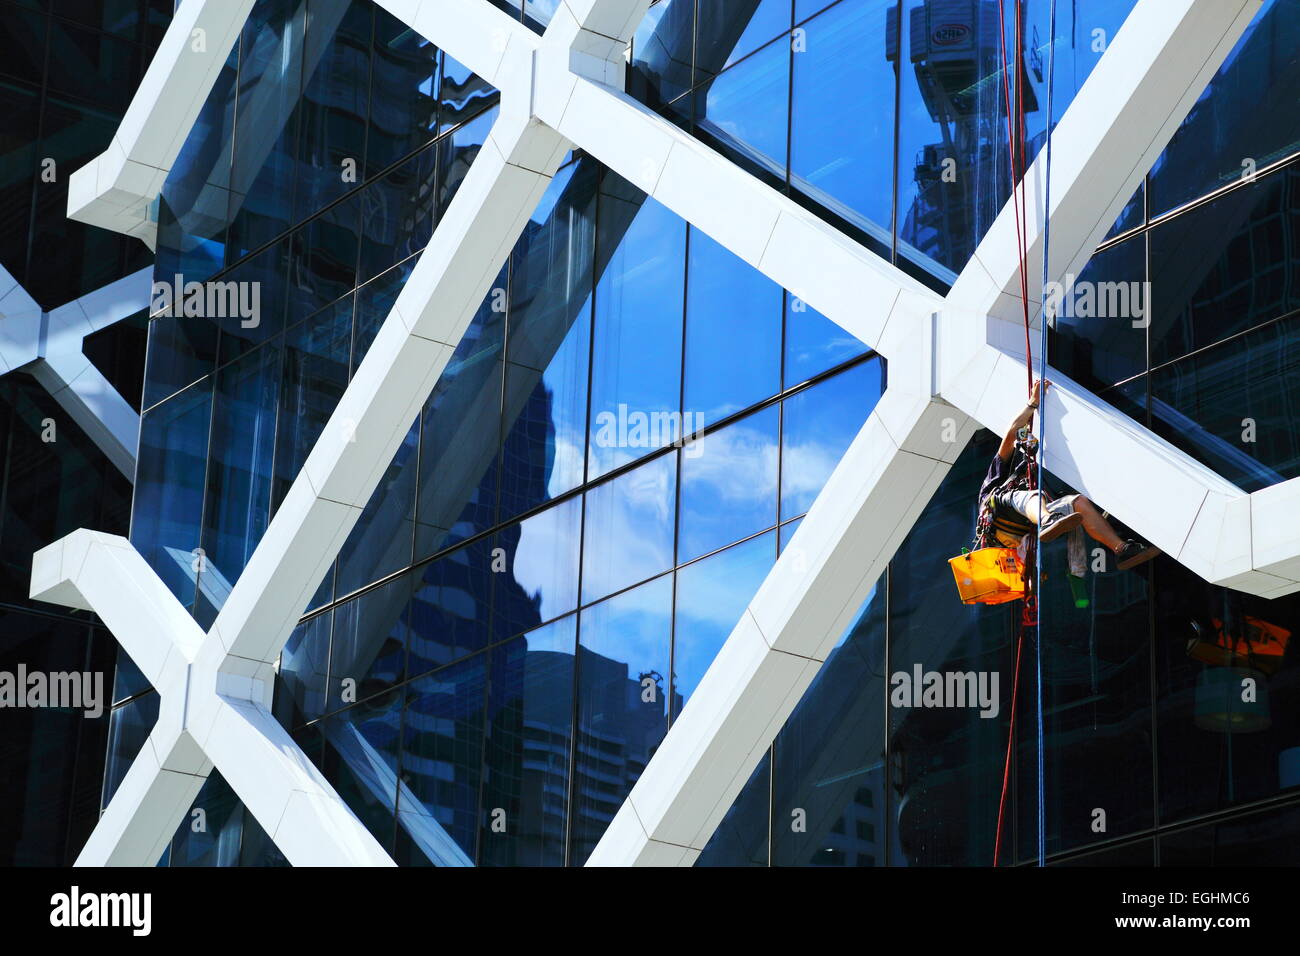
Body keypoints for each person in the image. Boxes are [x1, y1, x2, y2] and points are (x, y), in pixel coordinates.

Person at [976, 380, 1159, 571]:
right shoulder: (993, 482)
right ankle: (1047, 520)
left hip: (1022, 527)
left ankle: (1121, 550)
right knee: (1033, 497)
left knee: (1078, 503)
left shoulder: (1030, 477)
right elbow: (1010, 435)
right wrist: (1032, 403)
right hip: (997, 513)